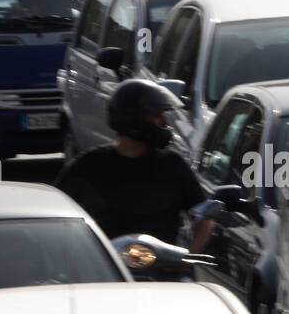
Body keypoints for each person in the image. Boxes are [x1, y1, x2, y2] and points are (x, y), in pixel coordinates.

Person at [55, 79, 214, 252]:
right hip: (108, 273)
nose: (165, 122)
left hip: (165, 273)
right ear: (134, 119)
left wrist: (187, 259)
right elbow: (56, 217)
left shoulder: (173, 165)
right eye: (157, 115)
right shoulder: (89, 166)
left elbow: (204, 217)